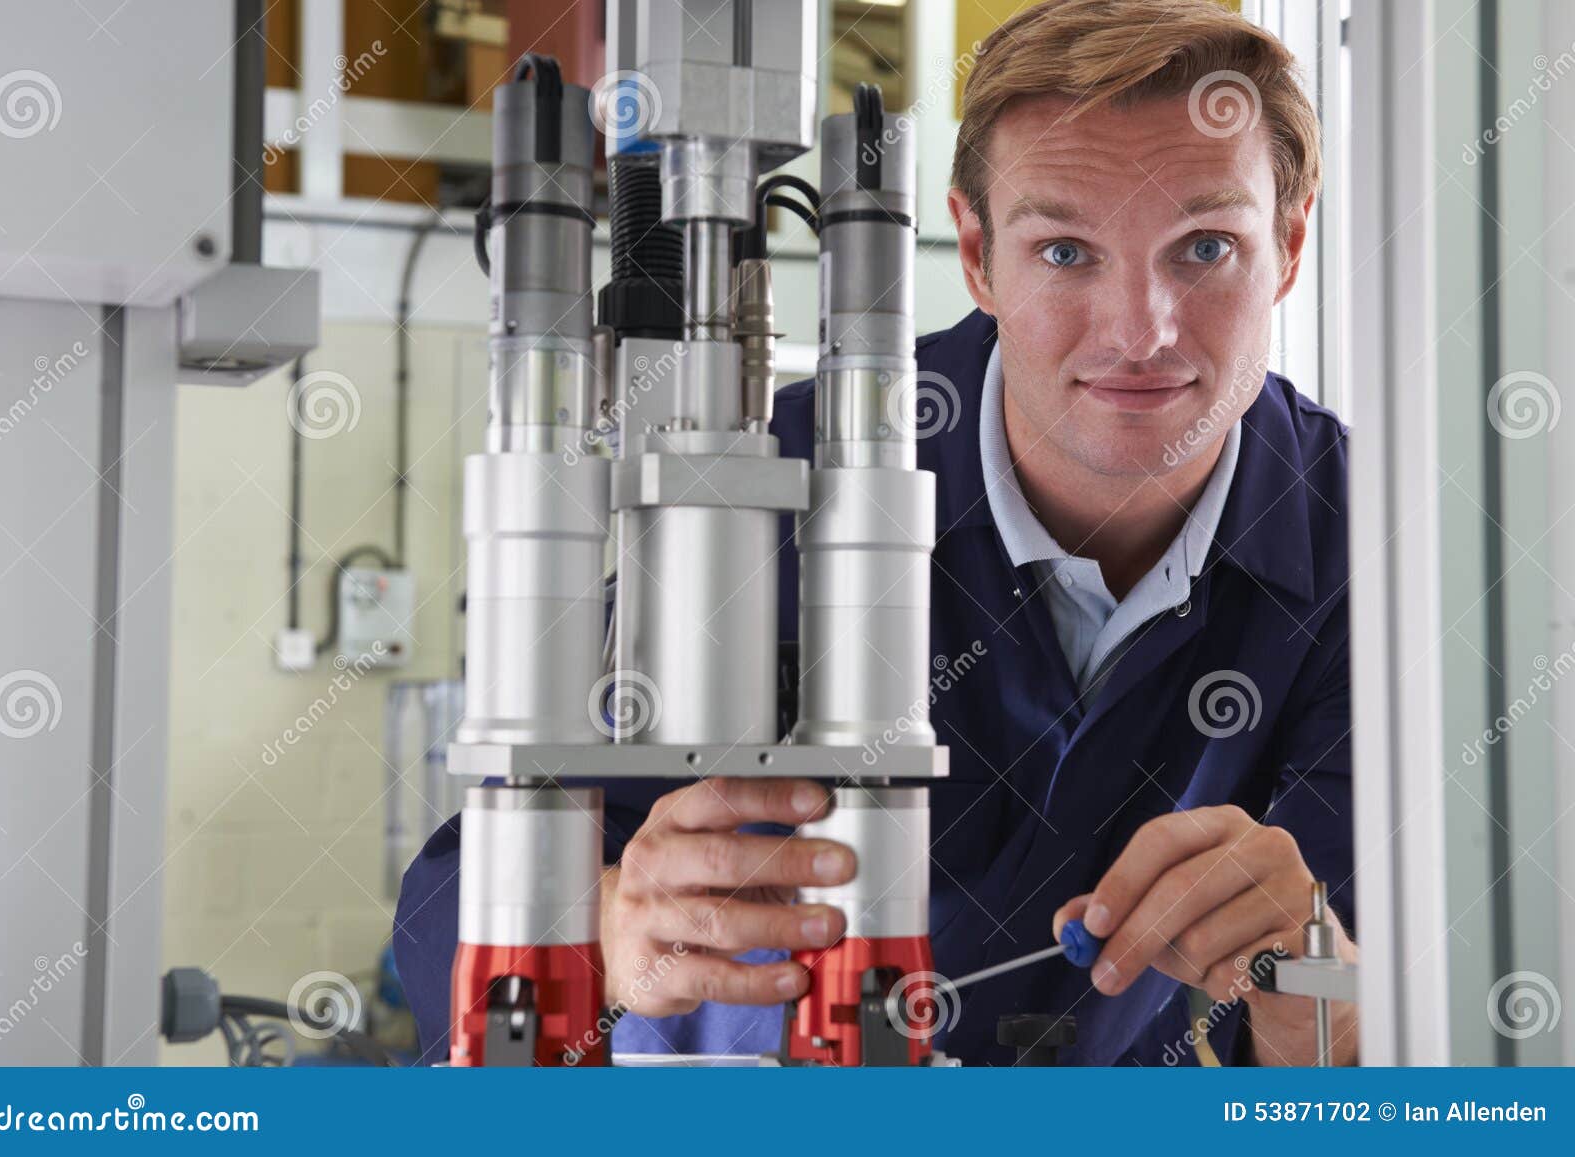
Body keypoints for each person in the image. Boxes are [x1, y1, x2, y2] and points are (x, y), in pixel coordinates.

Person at [395, 0, 1355, 1066]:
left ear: (1288, 246)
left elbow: (1396, 1027)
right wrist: (602, 927)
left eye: (1205, 247)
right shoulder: (780, 480)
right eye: (1066, 251)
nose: (1140, 331)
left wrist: (1317, 984)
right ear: (978, 254)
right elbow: (450, 896)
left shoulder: (1371, 550)